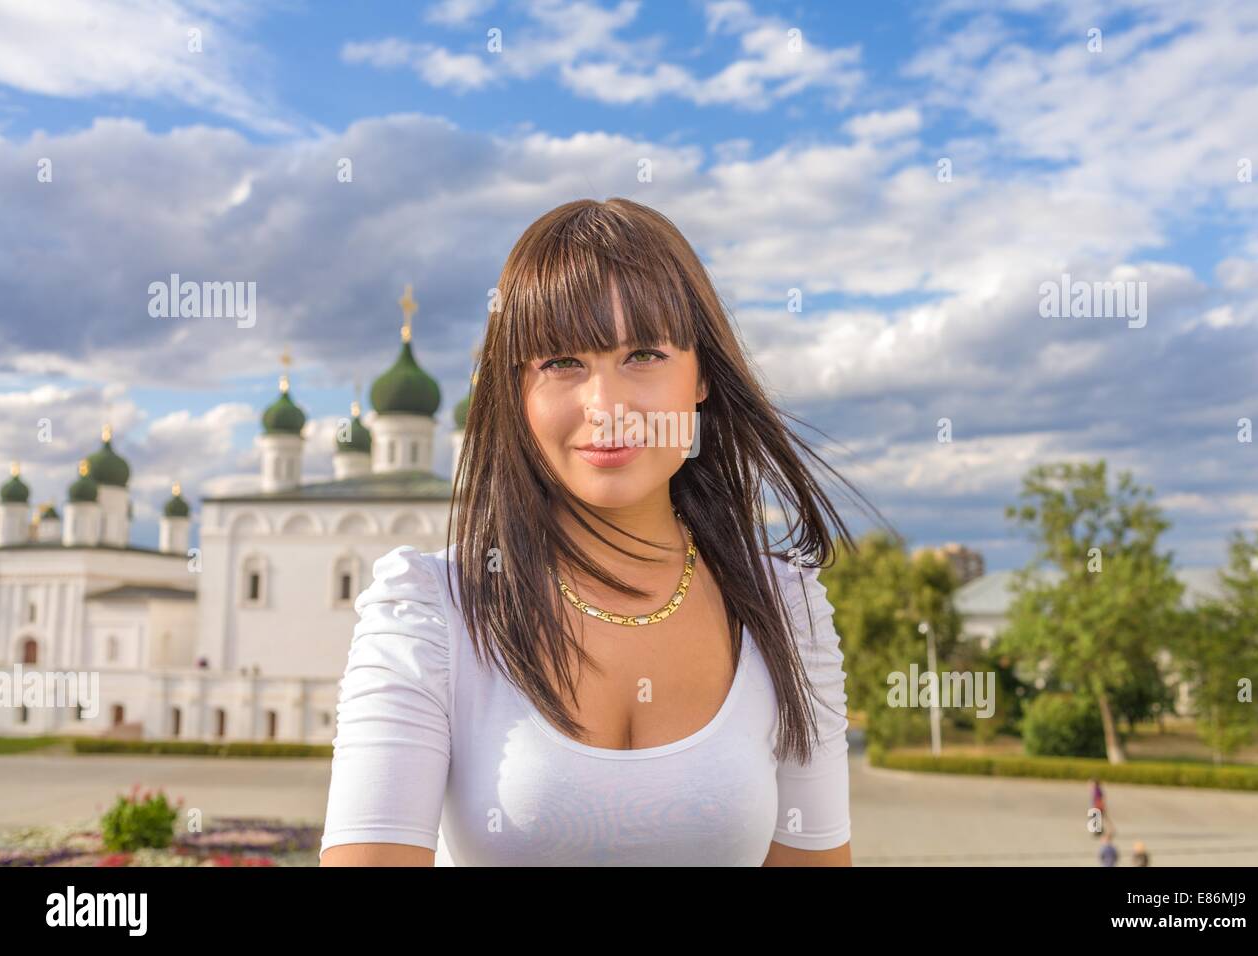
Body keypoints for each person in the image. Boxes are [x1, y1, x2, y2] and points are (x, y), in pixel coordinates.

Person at [319, 198, 877, 867]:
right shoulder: (430, 610)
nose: (606, 407)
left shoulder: (786, 609)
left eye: (643, 354)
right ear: (516, 391)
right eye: (561, 362)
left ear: (701, 375)